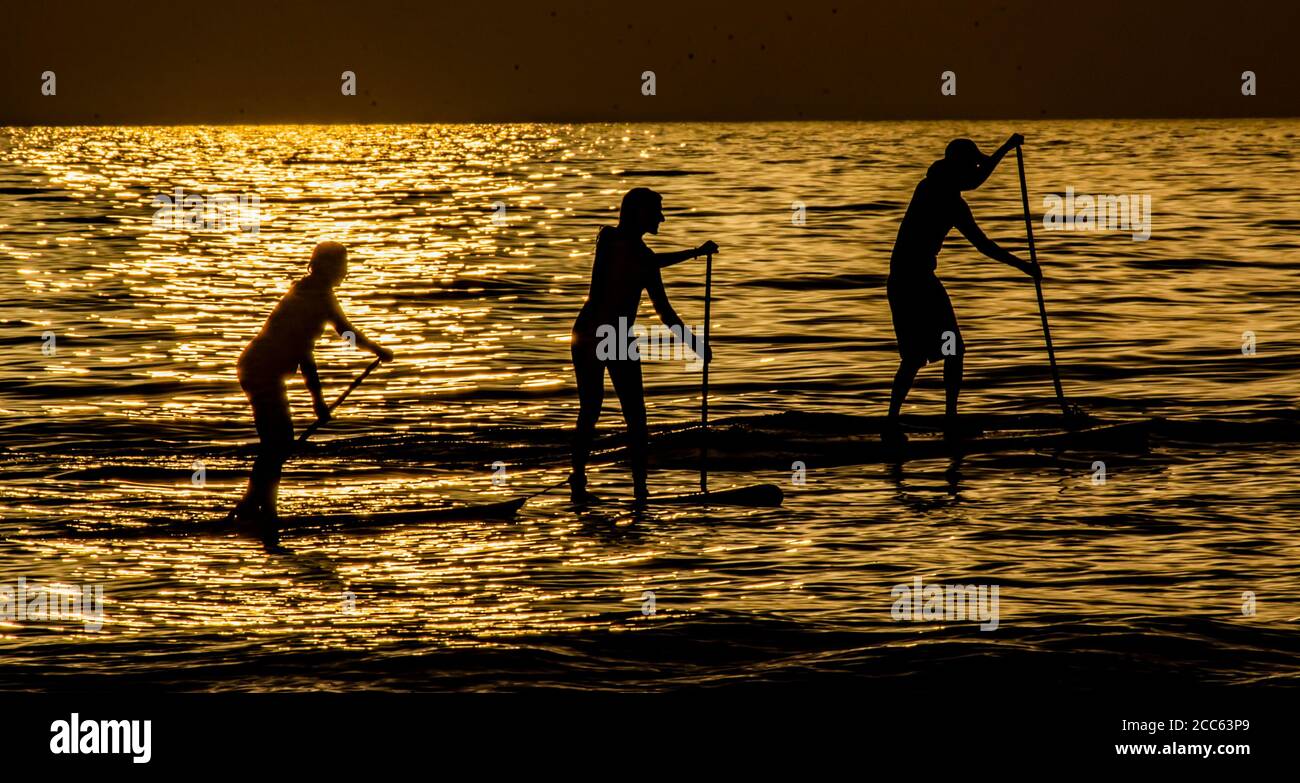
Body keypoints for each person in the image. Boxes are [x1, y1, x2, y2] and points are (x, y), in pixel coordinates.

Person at [231, 241, 393, 546]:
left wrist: (375, 349)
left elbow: (346, 332)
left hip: (264, 371)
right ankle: (263, 510)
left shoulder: (320, 295)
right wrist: (318, 401)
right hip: (259, 370)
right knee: (278, 443)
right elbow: (304, 353)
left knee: (276, 444)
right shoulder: (308, 299)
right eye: (341, 266)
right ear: (325, 267)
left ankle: (253, 505)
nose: (345, 272)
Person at [884, 134, 1039, 442]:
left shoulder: (934, 186)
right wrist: (1023, 266)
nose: (971, 171)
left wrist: (1004, 149)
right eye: (967, 165)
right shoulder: (941, 196)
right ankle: (925, 422)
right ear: (957, 166)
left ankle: (916, 420)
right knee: (932, 353)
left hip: (914, 281)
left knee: (941, 352)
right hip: (912, 284)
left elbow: (977, 177)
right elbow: (983, 243)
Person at [570, 188, 716, 504]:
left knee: (636, 418)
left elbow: (663, 311)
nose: (662, 218)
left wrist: (694, 343)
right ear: (639, 213)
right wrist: (694, 253)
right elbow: (641, 260)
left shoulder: (644, 258)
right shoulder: (610, 241)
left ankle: (640, 487)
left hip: (617, 334)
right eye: (656, 211)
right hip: (595, 333)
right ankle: (578, 478)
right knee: (592, 408)